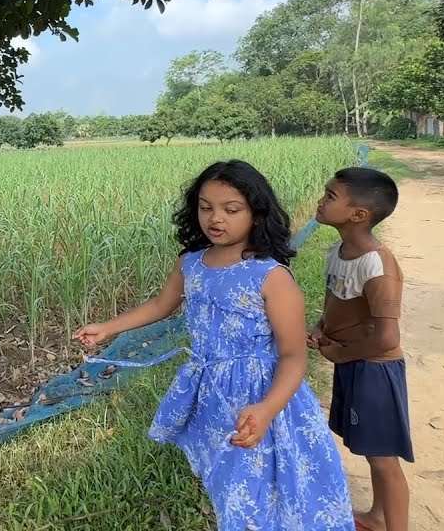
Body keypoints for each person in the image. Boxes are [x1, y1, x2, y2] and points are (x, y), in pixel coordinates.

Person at [74, 160, 353, 531]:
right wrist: (107, 328)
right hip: (210, 394)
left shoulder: (271, 276)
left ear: (256, 213)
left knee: (257, 488)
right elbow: (161, 305)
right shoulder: (191, 263)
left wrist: (267, 408)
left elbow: (292, 355)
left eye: (231, 209)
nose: (215, 218)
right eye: (206, 207)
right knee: (224, 479)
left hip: (260, 398)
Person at [310, 167, 411, 531]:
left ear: (358, 215)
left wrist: (338, 354)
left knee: (384, 460)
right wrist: (321, 328)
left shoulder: (377, 265)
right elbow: (334, 300)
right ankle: (378, 515)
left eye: (330, 197)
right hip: (354, 363)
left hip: (375, 370)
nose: (321, 201)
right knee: (371, 450)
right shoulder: (337, 252)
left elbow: (387, 338)